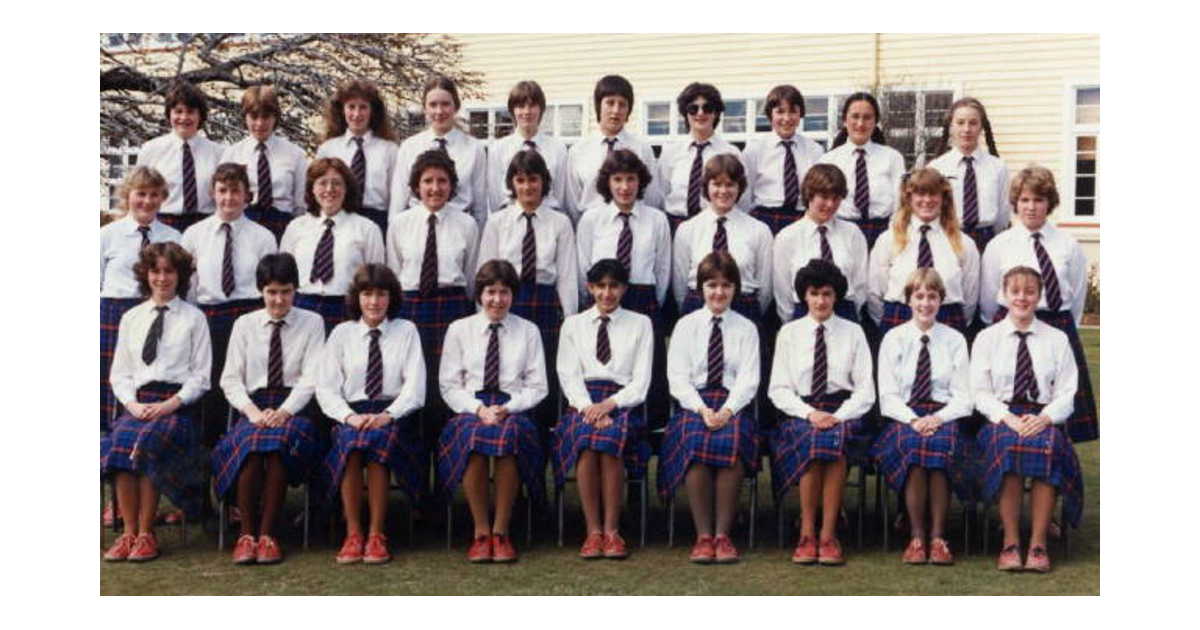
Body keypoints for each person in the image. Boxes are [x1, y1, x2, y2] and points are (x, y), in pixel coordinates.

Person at [101, 243, 212, 562]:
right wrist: (132, 405)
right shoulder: (131, 318)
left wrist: (170, 404)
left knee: (148, 443)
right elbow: (119, 374)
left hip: (178, 407)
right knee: (121, 442)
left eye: (169, 271)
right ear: (145, 274)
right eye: (155, 271)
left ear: (180, 275)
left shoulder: (194, 318)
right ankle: (128, 534)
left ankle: (147, 534)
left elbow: (201, 376)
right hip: (139, 403)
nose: (162, 278)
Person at [211, 253, 325, 564]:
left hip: (295, 409)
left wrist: (286, 411)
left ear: (295, 290)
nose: (278, 300)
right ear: (261, 291)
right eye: (272, 292)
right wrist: (252, 412)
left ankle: (268, 534)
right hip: (255, 407)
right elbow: (230, 379)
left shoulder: (312, 322)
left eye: (286, 291)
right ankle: (247, 535)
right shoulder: (244, 325)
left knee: (276, 447)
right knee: (250, 445)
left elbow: (312, 377)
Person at [972, 266, 1082, 573]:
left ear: (1039, 296)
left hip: (1043, 416)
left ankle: (1037, 543)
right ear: (1004, 295)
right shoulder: (987, 338)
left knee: (1047, 449)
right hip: (1001, 418)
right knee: (1009, 448)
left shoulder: (1057, 339)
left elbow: (1067, 391)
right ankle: (1010, 541)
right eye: (1016, 291)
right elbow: (979, 392)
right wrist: (1007, 418)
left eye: (1030, 292)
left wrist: (1045, 418)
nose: (1022, 298)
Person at [437, 260, 548, 563]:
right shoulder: (459, 329)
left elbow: (538, 386)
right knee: (473, 440)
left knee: (509, 439)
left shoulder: (529, 331)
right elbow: (449, 385)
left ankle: (501, 532)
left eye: (504, 292)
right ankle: (480, 532)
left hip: (513, 407)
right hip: (471, 407)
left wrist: (508, 408)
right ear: (479, 294)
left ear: (513, 295)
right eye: (490, 292)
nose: (497, 300)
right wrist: (478, 409)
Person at [317, 264, 426, 565]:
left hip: (393, 416)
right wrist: (348, 417)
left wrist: (388, 415)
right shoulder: (342, 334)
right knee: (351, 443)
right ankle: (353, 533)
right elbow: (326, 388)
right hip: (351, 415)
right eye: (367, 294)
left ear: (391, 298)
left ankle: (377, 534)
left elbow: (415, 387)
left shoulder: (406, 331)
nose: (374, 302)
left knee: (378, 443)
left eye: (381, 294)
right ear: (357, 297)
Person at [979, 165, 1097, 443]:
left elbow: (1077, 294)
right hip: (1011, 325)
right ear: (1016, 203)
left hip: (1056, 324)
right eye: (1024, 200)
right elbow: (987, 297)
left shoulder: (1068, 244)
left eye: (1038, 200)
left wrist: (1065, 329)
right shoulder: (1000, 245)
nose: (1031, 207)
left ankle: (1055, 462)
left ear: (1050, 203)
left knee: (1058, 405)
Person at [769, 259, 874, 565]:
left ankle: (828, 535)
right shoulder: (789, 333)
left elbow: (866, 389)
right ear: (804, 295)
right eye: (814, 293)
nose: (820, 300)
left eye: (827, 293)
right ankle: (806, 532)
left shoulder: (853, 332)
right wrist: (809, 414)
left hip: (843, 411)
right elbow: (778, 388)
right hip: (801, 412)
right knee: (814, 442)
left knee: (833, 443)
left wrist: (839, 416)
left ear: (836, 296)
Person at [661, 251, 761, 564]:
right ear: (701, 288)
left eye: (726, 285)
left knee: (731, 440)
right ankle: (703, 536)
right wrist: (702, 409)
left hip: (733, 404)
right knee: (694, 440)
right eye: (712, 285)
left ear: (736, 289)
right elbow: (677, 378)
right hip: (695, 403)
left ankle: (723, 535)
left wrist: (728, 411)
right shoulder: (685, 326)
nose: (719, 292)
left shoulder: (747, 328)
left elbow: (749, 379)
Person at [869, 269, 973, 565]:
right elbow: (887, 396)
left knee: (940, 447)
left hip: (944, 415)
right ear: (908, 300)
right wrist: (914, 420)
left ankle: (938, 538)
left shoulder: (954, 339)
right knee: (914, 447)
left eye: (932, 296)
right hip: (905, 416)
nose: (925, 303)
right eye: (919, 296)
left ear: (941, 300)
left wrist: (937, 419)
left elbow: (964, 396)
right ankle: (916, 537)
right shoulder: (894, 338)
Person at [553, 259, 653, 560]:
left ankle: (612, 531)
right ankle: (592, 531)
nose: (607, 294)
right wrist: (588, 408)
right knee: (585, 441)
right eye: (600, 287)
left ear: (623, 289)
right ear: (590, 288)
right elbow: (568, 375)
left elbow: (641, 380)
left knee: (610, 440)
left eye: (613, 286)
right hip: (583, 401)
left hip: (622, 401)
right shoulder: (573, 325)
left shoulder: (641, 324)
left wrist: (610, 405)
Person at [478, 149, 577, 434]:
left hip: (545, 303)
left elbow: (567, 276)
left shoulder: (560, 223)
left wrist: (568, 322)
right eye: (520, 180)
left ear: (544, 182)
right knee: (512, 372)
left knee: (541, 377)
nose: (527, 187)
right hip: (507, 300)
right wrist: (484, 317)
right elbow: (486, 273)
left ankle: (541, 445)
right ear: (511, 184)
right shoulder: (498, 222)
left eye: (533, 180)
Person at [181, 163, 278, 448]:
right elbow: (188, 285)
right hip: (210, 316)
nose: (228, 198)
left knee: (246, 385)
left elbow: (269, 286)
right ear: (213, 192)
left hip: (249, 314)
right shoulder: (194, 235)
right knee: (211, 390)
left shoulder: (263, 236)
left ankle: (246, 450)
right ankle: (210, 457)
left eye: (236, 191)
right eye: (222, 190)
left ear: (247, 195)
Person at [387, 150, 480, 441]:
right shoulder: (401, 223)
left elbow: (472, 275)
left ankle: (444, 474)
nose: (435, 188)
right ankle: (415, 474)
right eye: (428, 181)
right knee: (412, 387)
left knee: (447, 388)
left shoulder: (467, 224)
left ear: (452, 185)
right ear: (417, 185)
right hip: (411, 309)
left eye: (442, 181)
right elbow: (393, 272)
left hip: (451, 309)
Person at [101, 167, 182, 431]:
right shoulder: (107, 235)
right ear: (127, 195)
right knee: (110, 377)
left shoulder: (173, 237)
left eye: (154, 195)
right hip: (115, 310)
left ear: (163, 199)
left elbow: (181, 282)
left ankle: (140, 433)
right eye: (141, 194)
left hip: (157, 312)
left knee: (147, 375)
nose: (147, 201)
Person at [868, 167, 979, 338]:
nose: (927, 200)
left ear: (944, 198)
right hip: (899, 317)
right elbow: (875, 291)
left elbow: (970, 295)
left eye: (933, 194)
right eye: (920, 194)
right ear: (909, 198)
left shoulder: (963, 243)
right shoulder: (888, 240)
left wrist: (955, 321)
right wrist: (887, 322)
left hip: (947, 318)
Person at [280, 157, 385, 334]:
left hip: (346, 309)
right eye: (322, 183)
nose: (329, 189)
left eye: (337, 183)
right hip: (302, 307)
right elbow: (284, 274)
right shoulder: (296, 227)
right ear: (312, 188)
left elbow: (376, 279)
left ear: (347, 188)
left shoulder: (367, 229)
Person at [673, 154, 773, 324]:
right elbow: (680, 284)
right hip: (698, 307)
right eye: (717, 184)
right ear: (706, 187)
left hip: (744, 308)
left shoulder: (759, 230)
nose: (723, 191)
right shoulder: (687, 229)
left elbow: (765, 287)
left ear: (739, 187)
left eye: (730, 184)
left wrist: (748, 309)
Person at [773, 164, 868, 324]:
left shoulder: (852, 233)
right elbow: (782, 289)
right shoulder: (788, 236)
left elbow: (860, 283)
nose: (830, 204)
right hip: (803, 314)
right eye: (824, 197)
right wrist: (792, 323)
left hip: (844, 313)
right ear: (809, 195)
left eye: (836, 198)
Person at [391, 76, 489, 229]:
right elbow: (398, 201)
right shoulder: (409, 147)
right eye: (433, 105)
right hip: (417, 228)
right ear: (425, 109)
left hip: (459, 228)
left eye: (445, 104)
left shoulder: (474, 148)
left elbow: (480, 205)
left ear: (455, 107)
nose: (439, 111)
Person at [565, 74, 662, 222]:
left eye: (622, 104)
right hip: (592, 230)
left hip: (632, 229)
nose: (616, 110)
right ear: (599, 106)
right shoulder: (578, 151)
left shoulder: (642, 150)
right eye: (610, 103)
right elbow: (572, 202)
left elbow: (652, 198)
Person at [818, 92, 907, 249]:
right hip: (841, 232)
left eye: (867, 117)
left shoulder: (892, 157)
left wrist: (892, 236)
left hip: (883, 232)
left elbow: (900, 204)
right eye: (855, 116)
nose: (860, 123)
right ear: (845, 120)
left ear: (875, 122)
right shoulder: (828, 160)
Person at [220, 85, 309, 241]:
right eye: (254, 117)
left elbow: (300, 204)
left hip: (282, 226)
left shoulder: (296, 155)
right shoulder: (232, 154)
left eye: (266, 117)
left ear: (275, 117)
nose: (260, 124)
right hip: (244, 225)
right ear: (245, 117)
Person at [136, 81, 225, 233]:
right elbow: (136, 193)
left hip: (205, 225)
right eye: (178, 111)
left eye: (190, 111)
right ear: (169, 114)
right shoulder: (151, 150)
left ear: (200, 115)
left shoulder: (219, 153)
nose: (184, 117)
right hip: (163, 224)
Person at [315, 79, 399, 238]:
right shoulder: (329, 148)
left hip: (377, 220)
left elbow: (395, 198)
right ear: (342, 110)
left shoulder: (389, 150)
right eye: (351, 107)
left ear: (372, 111)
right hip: (339, 219)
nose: (356, 114)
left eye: (363, 107)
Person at [657, 82, 743, 235]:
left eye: (707, 108)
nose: (700, 113)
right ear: (686, 113)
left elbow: (741, 199)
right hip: (675, 224)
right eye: (693, 108)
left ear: (715, 113)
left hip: (713, 225)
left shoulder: (731, 153)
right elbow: (660, 194)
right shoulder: (671, 152)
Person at [927, 97, 1008, 253]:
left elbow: (1003, 215)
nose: (966, 129)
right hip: (949, 238)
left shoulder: (997, 167)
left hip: (988, 239)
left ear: (981, 127)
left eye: (973, 123)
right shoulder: (936, 168)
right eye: (960, 122)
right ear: (950, 126)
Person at [742, 84, 824, 235]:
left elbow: (818, 192)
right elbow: (746, 193)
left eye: (793, 111)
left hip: (802, 219)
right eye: (780, 112)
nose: (787, 118)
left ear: (800, 114)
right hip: (765, 219)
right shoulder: (755, 149)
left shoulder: (814, 150)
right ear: (770, 115)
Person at [486, 80, 571, 215]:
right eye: (520, 106)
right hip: (511, 221)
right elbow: (496, 198)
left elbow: (559, 195)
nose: (526, 111)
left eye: (532, 106)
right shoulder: (498, 149)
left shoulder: (557, 149)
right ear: (512, 110)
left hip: (547, 220)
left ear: (541, 109)